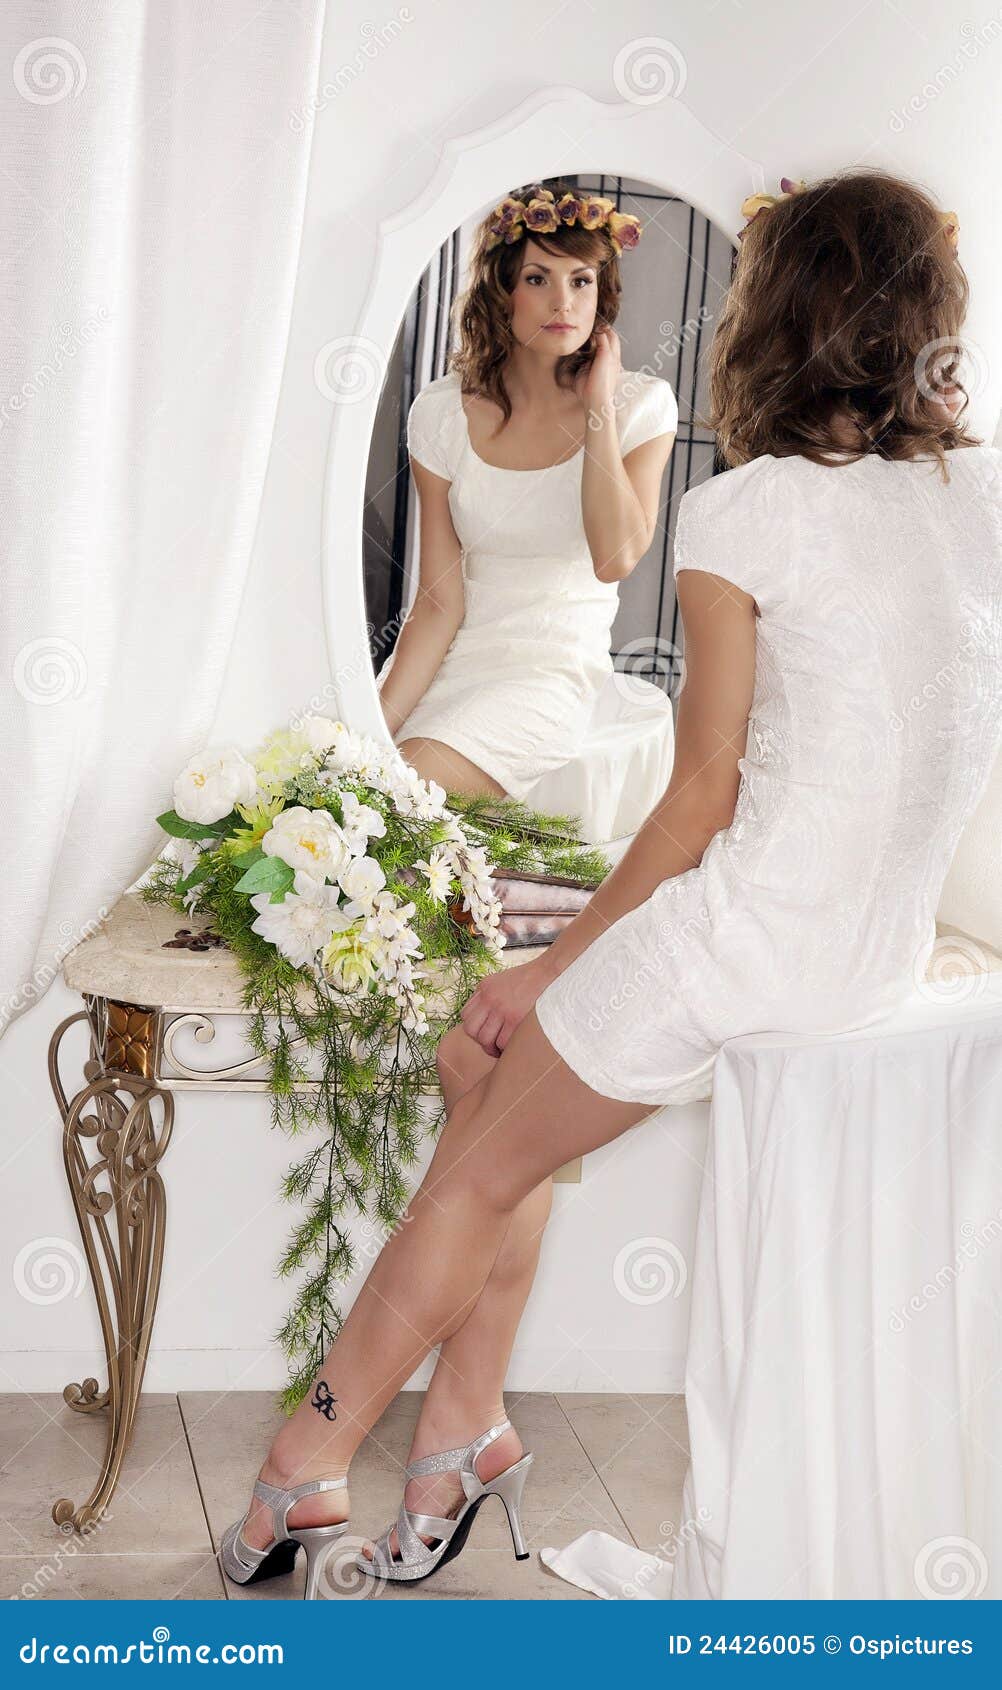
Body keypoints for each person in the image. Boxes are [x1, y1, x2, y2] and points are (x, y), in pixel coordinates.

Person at [220, 168, 1002, 1595]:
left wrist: (546, 965)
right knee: (481, 1086)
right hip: (875, 946)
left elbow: (700, 796)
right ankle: (461, 1428)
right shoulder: (974, 492)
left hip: (760, 936)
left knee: (476, 1105)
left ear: (775, 318)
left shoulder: (747, 509)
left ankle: (303, 1462)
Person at [375, 178, 678, 802]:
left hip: (548, 672)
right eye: (538, 279)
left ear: (602, 294)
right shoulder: (441, 414)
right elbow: (438, 603)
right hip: (453, 658)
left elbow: (614, 558)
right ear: (502, 293)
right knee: (361, 775)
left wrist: (599, 409)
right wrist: (372, 727)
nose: (562, 301)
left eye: (582, 281)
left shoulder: (640, 408)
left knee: (406, 788)